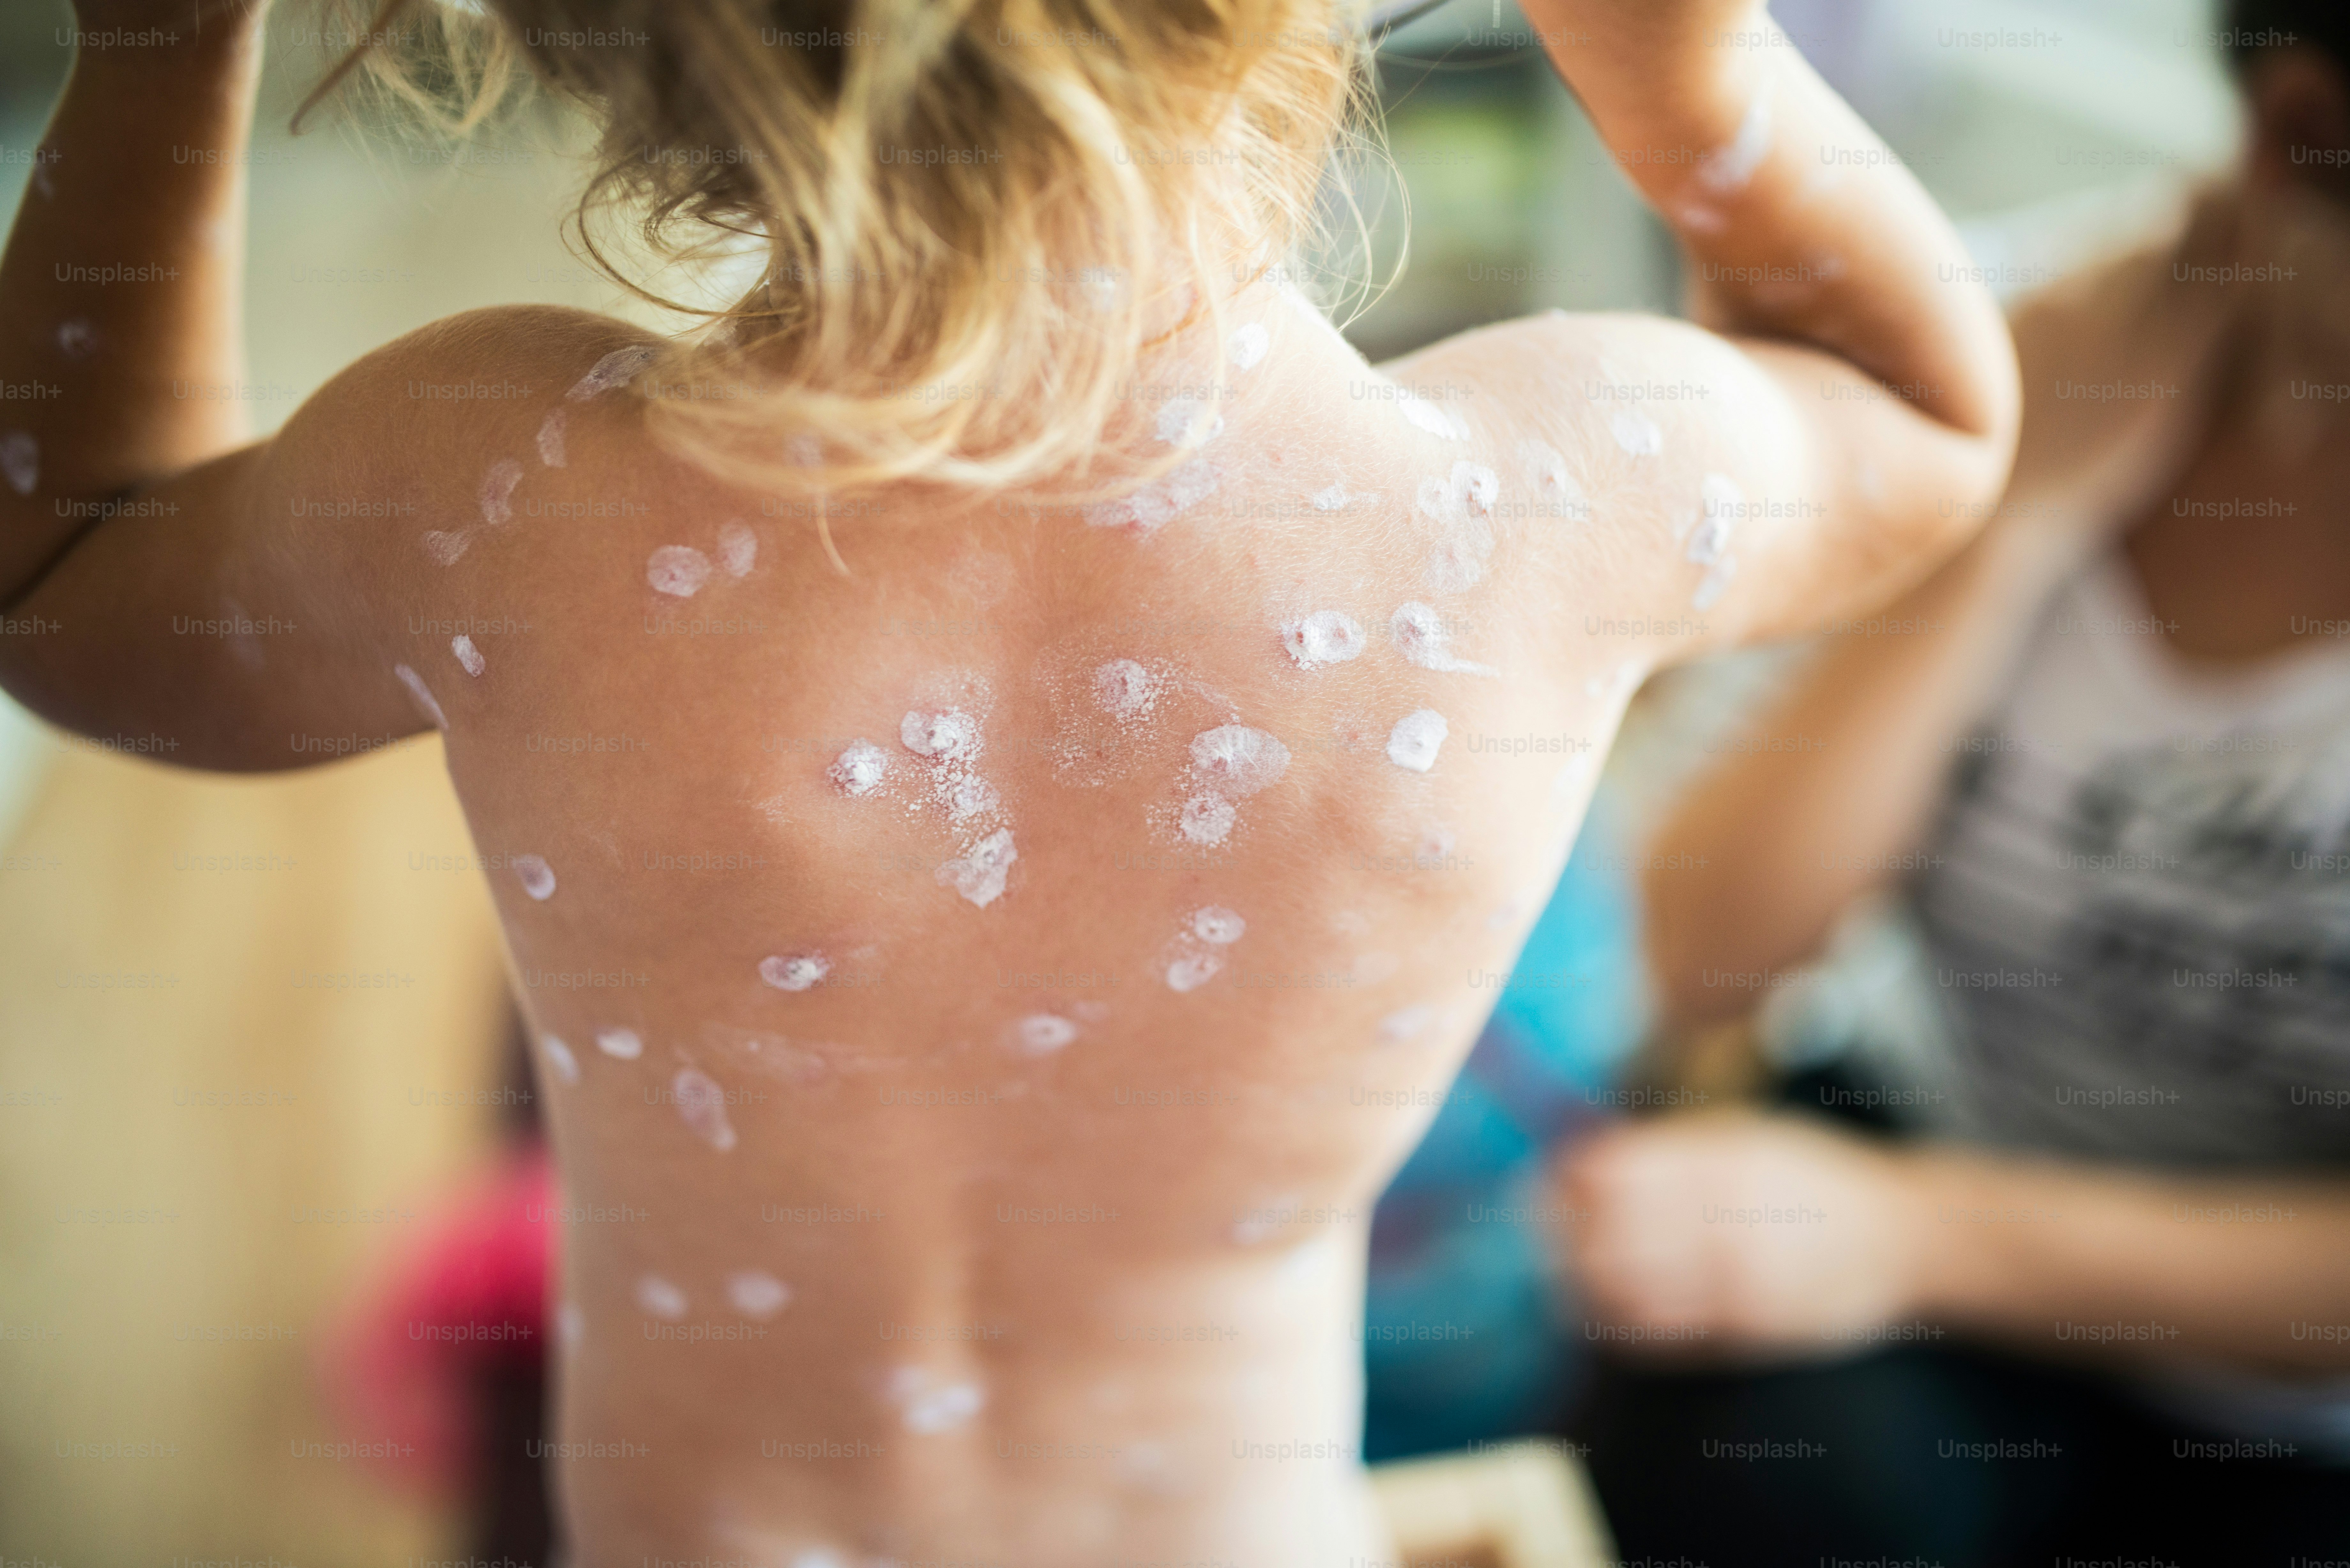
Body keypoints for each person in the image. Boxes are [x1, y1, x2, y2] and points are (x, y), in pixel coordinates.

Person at [0, 0, 2018, 1559]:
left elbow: (64, 572)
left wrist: (162, 51)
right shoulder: (1556, 496)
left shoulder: (490, 492)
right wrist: (1688, 74)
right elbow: (1933, 416)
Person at [1556, 6, 2350, 1565]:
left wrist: (1923, 1242)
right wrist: (2006, 526)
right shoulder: (1985, 336)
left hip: (2274, 1374)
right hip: (1956, 1173)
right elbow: (1691, 950)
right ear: (2298, 131)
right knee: (1726, 1434)